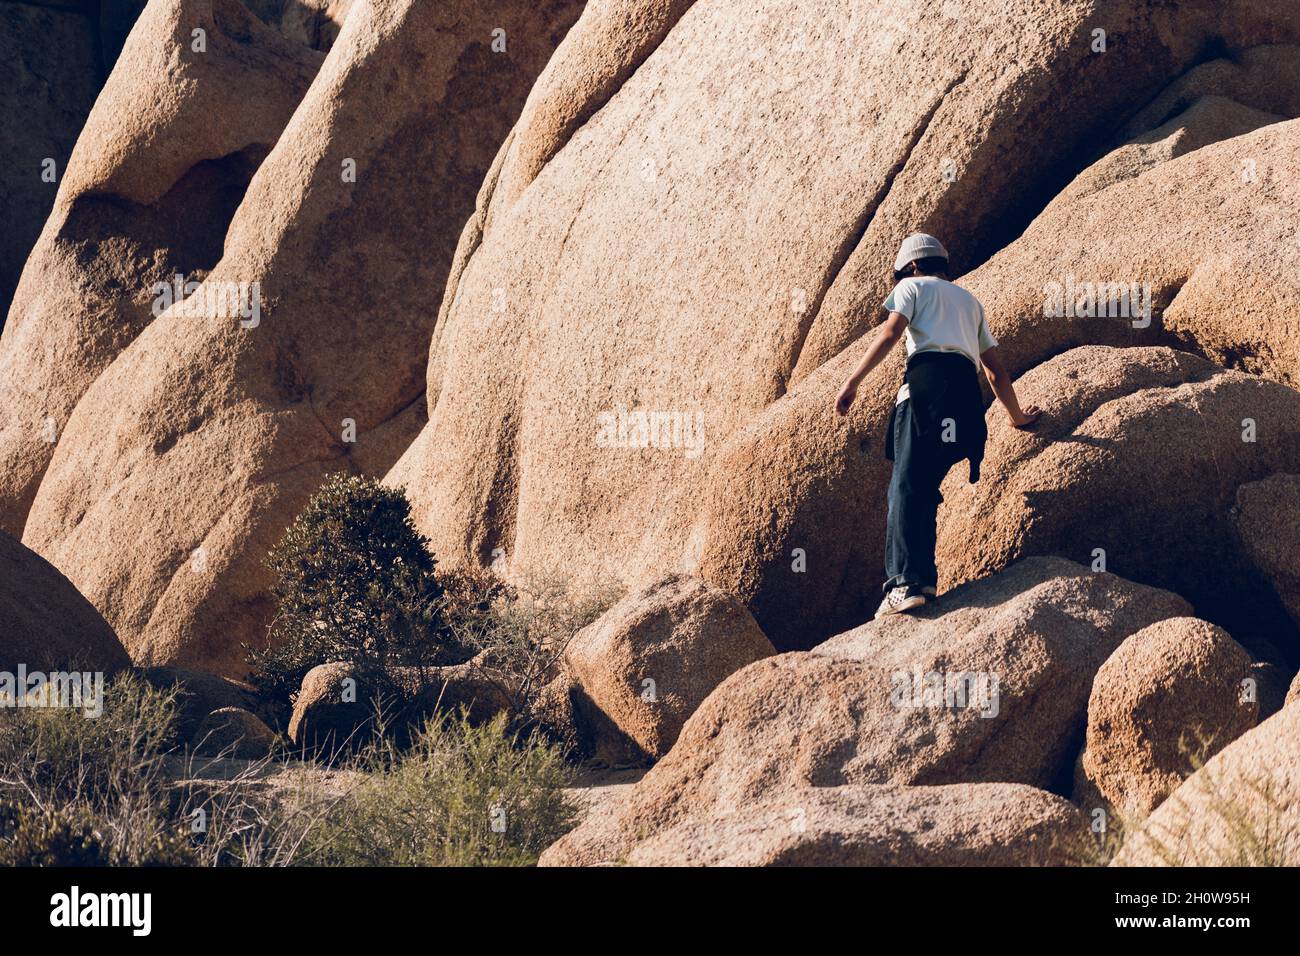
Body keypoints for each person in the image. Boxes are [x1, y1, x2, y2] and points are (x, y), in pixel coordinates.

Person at [833, 233, 1041, 618]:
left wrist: (853, 381)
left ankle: (905, 584)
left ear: (911, 267)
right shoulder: (969, 301)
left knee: (905, 486)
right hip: (964, 399)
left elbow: (891, 333)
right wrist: (1016, 416)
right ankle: (924, 581)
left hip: (925, 389)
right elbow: (995, 372)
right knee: (924, 487)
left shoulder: (911, 288)